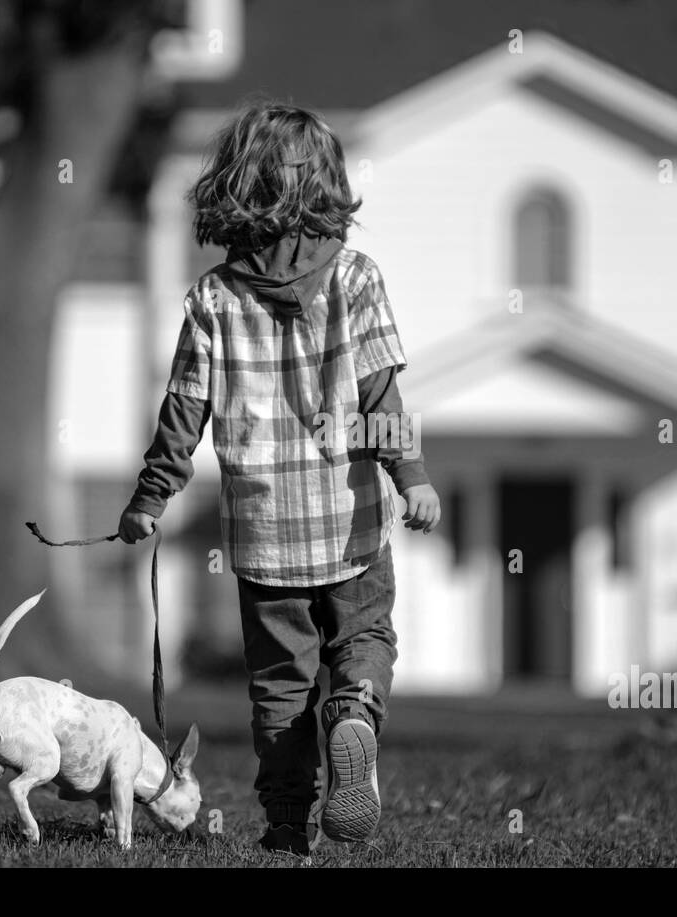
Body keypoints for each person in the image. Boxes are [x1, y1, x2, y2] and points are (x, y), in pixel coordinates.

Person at [118, 101, 440, 855]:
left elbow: (182, 412)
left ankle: (289, 821)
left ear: (234, 184)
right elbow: (378, 395)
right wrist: (411, 477)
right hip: (350, 519)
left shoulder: (211, 298)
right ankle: (355, 712)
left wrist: (150, 497)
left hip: (264, 537)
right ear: (326, 185)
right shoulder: (357, 279)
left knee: (279, 687)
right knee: (364, 635)